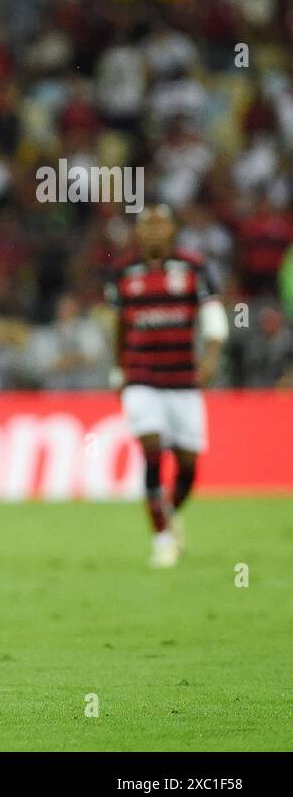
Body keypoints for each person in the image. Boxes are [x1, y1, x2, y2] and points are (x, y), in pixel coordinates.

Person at [108, 203, 227, 568]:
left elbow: (214, 319)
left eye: (161, 224)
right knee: (152, 448)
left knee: (189, 467)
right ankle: (161, 539)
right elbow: (119, 324)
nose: (154, 231)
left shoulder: (194, 267)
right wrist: (118, 368)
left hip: (183, 378)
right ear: (138, 232)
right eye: (147, 224)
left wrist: (210, 358)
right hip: (142, 376)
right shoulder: (123, 272)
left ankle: (167, 515)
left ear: (173, 230)